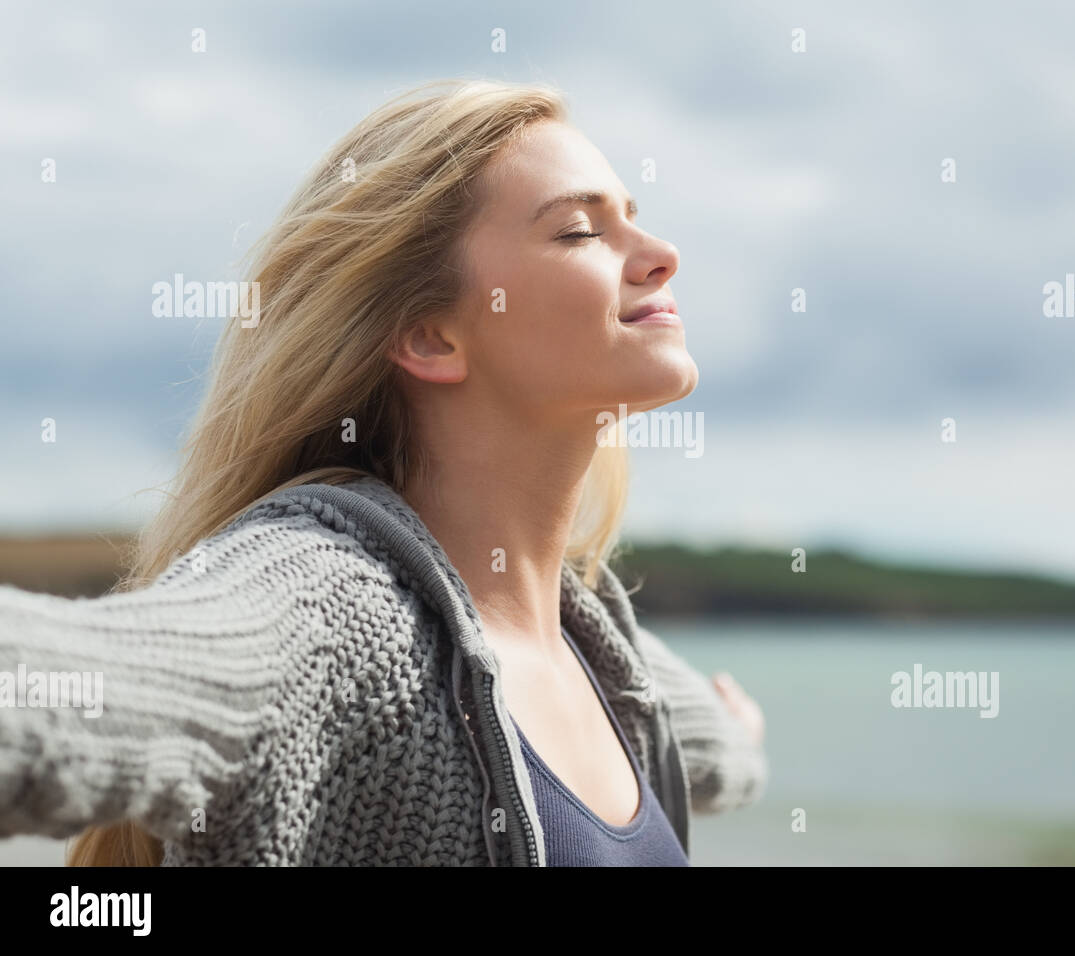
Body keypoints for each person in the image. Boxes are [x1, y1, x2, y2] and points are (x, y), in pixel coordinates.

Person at [0, 78, 767, 866]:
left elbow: (702, 732)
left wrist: (740, 743)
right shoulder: (335, 609)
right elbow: (101, 685)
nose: (662, 255)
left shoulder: (598, 646)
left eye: (632, 218)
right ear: (431, 338)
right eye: (578, 230)